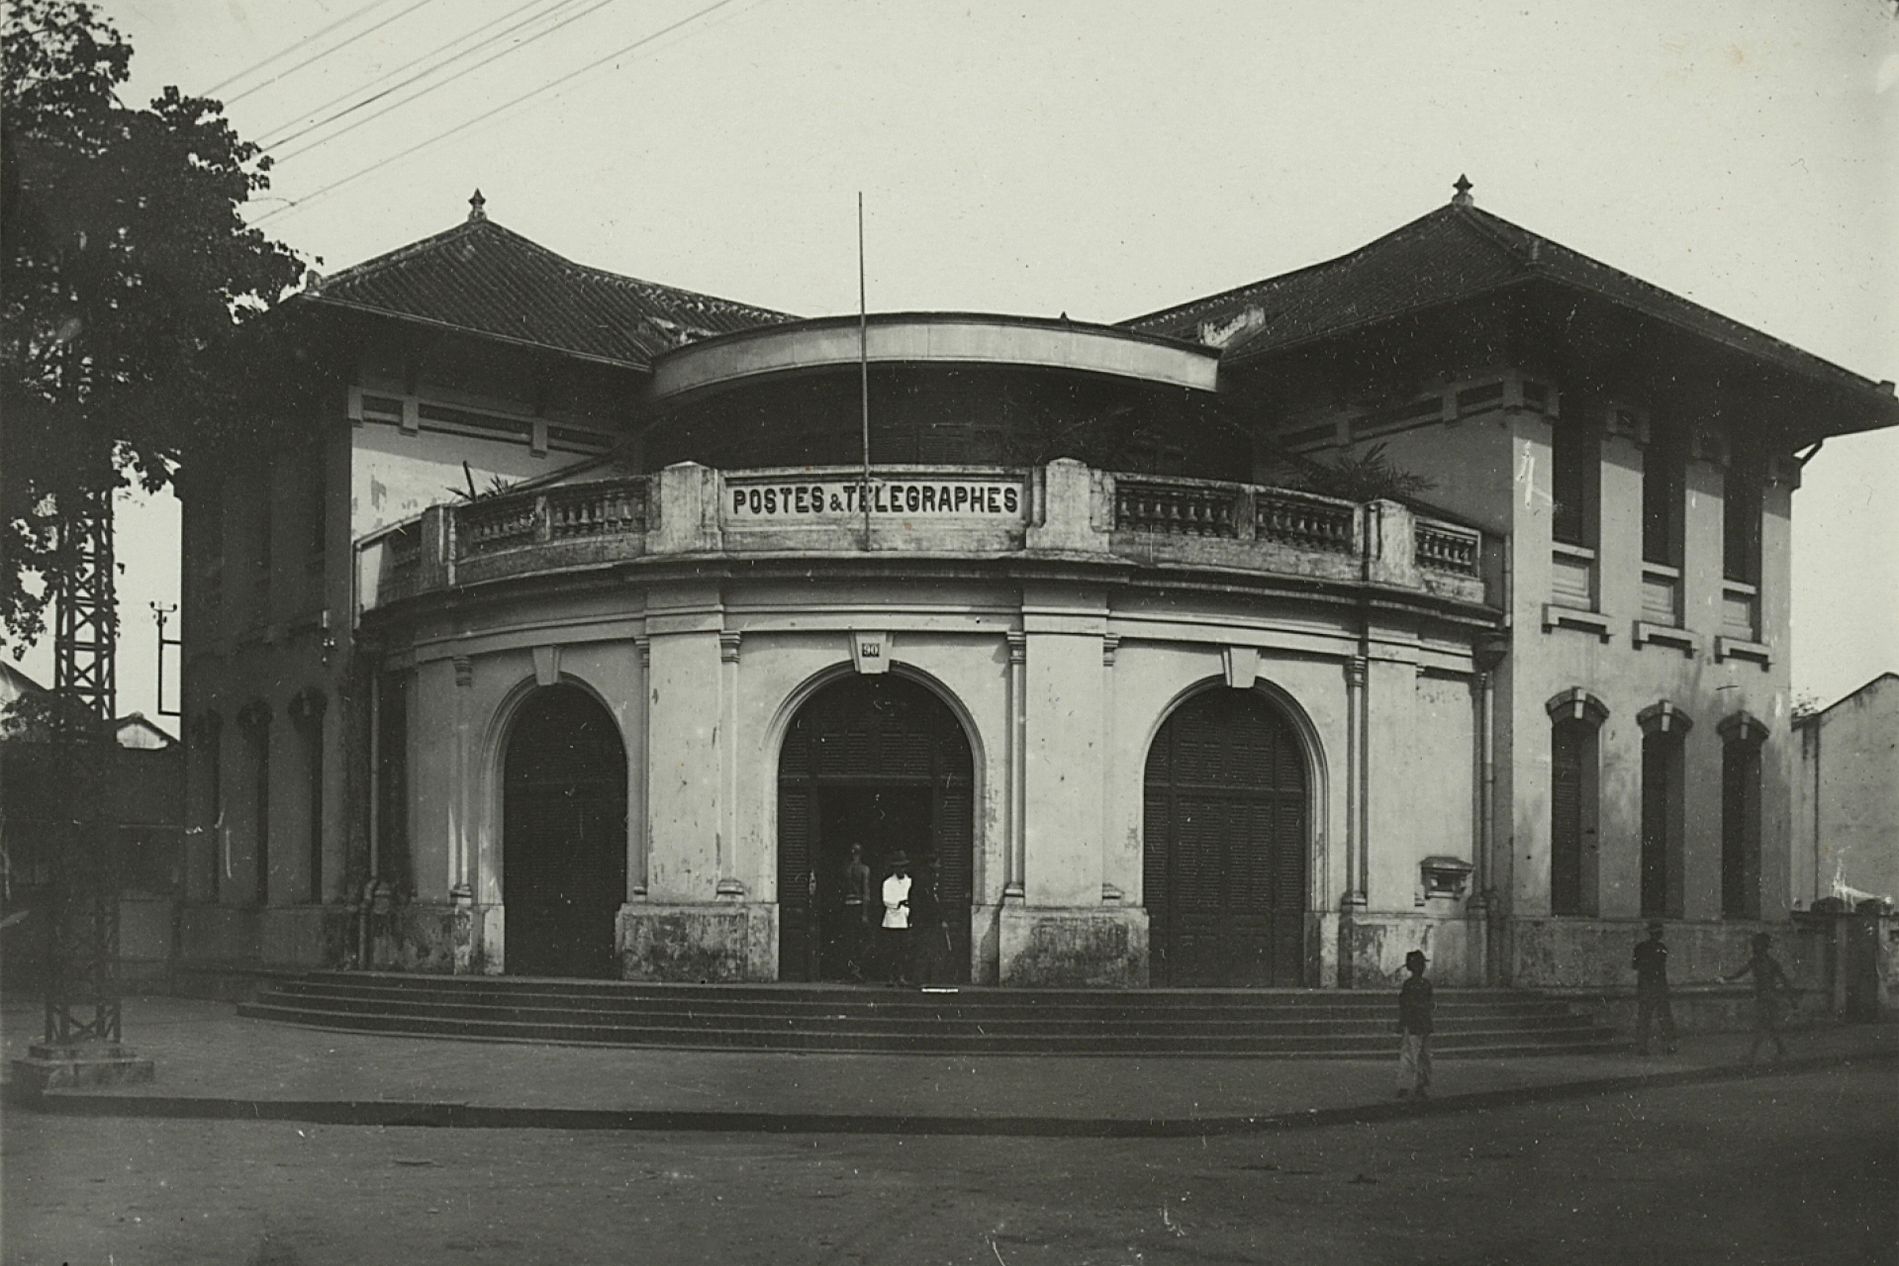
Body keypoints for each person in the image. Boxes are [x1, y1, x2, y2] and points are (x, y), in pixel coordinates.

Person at [1724, 931, 1800, 1064]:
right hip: (1763, 997)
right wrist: (1725, 978)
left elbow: (1784, 981)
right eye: (1754, 945)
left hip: (1769, 998)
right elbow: (1740, 973)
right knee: (1769, 1026)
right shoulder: (1756, 961)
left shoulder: (1771, 963)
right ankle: (1781, 1050)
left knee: (1762, 1026)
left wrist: (1792, 999)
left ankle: (1752, 1056)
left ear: (1762, 947)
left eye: (1756, 946)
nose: (1753, 948)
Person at [1631, 921, 1678, 1055]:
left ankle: (1642, 1047)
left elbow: (1635, 965)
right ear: (1659, 933)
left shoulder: (1639, 948)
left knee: (1644, 1017)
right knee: (1664, 1016)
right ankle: (1669, 1045)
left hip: (1645, 985)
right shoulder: (1662, 948)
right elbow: (1660, 965)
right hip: (1659, 985)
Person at [1395, 949, 1434, 1099]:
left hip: (1416, 1023)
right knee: (1418, 1056)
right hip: (1418, 1024)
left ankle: (1411, 1085)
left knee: (1413, 1055)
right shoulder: (1419, 985)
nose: (1422, 967)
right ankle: (1416, 1085)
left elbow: (1404, 1005)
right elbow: (1407, 1005)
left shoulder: (1411, 985)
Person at [840, 843, 873, 982]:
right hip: (858, 906)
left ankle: (853, 969)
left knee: (852, 940)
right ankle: (855, 969)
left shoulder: (846, 869)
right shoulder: (864, 869)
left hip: (849, 906)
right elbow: (866, 892)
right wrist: (865, 914)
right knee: (859, 940)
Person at [880, 851, 913, 986]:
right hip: (891, 921)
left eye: (903, 867)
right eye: (898, 867)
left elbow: (912, 899)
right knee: (891, 951)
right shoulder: (888, 883)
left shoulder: (910, 882)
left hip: (905, 920)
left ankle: (901, 976)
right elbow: (887, 900)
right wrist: (900, 902)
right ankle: (891, 977)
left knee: (903, 950)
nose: (901, 870)